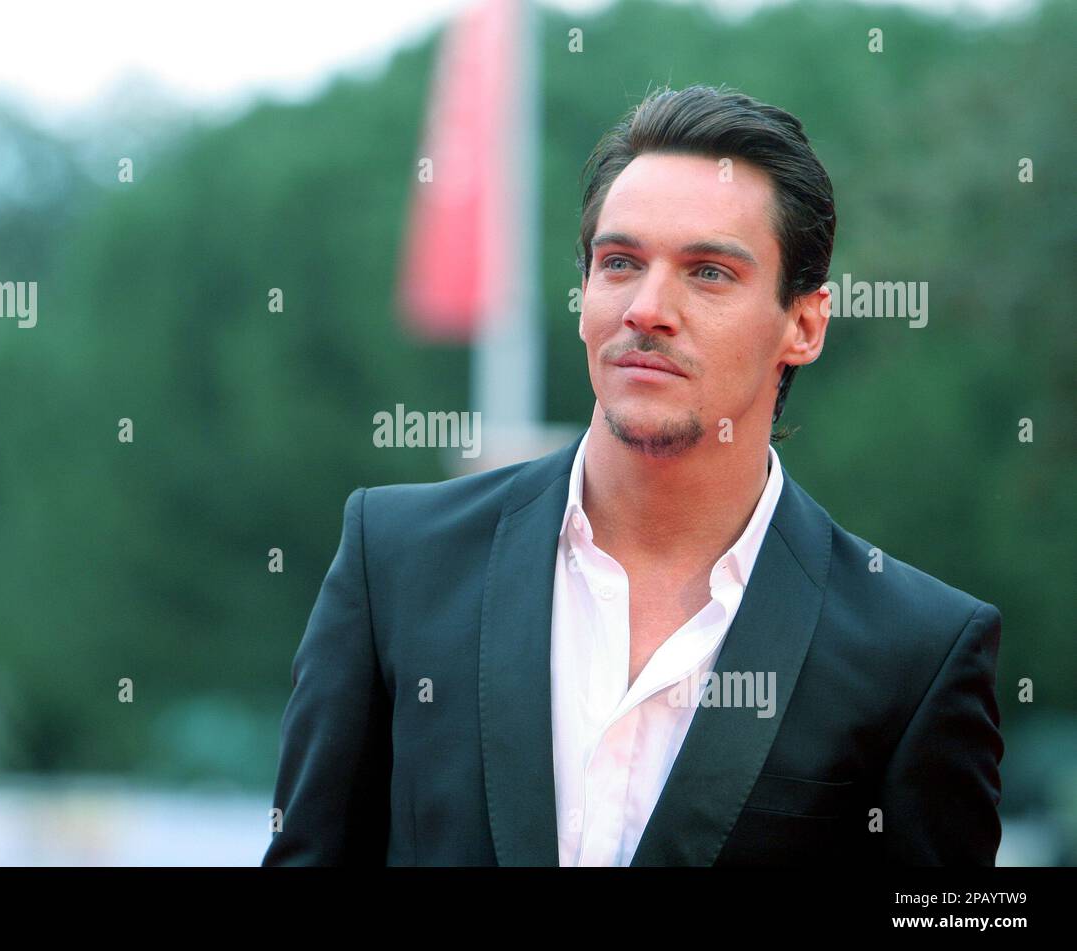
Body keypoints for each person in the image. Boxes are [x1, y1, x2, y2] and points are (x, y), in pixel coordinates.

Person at [262, 85, 1004, 866]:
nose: (647, 308)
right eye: (620, 262)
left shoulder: (914, 650)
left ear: (804, 324)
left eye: (709, 272)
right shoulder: (399, 562)